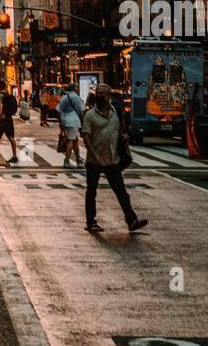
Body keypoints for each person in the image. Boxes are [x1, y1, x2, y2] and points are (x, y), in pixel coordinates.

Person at [80, 83, 148, 234]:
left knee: (121, 191)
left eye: (103, 93)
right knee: (91, 191)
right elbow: (85, 136)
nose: (99, 95)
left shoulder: (116, 113)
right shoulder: (89, 115)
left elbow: (120, 131)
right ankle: (91, 222)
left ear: (109, 97)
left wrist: (124, 138)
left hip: (112, 159)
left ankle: (132, 221)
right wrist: (94, 155)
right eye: (98, 93)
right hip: (94, 160)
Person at [58, 83, 85, 167]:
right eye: (76, 87)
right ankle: (66, 160)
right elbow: (82, 109)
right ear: (74, 89)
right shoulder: (76, 97)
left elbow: (59, 110)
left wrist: (61, 123)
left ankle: (78, 158)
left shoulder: (64, 98)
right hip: (73, 121)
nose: (77, 89)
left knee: (75, 139)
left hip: (65, 121)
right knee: (71, 140)